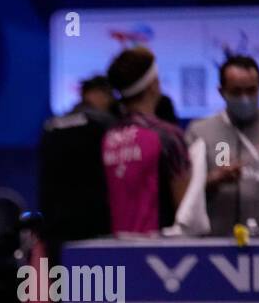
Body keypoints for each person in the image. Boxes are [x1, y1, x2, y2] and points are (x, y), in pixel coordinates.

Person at [101, 47, 191, 235]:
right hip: (157, 248)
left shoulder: (107, 137)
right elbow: (186, 210)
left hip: (115, 246)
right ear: (153, 85)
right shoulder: (168, 135)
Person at [185, 54, 259, 237]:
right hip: (213, 242)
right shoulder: (200, 132)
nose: (245, 98)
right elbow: (183, 194)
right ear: (221, 91)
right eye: (236, 92)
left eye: (251, 90)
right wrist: (213, 179)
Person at [39, 75, 116, 258]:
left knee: (61, 278)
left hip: (55, 228)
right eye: (108, 96)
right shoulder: (106, 125)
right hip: (95, 227)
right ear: (99, 94)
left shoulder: (51, 126)